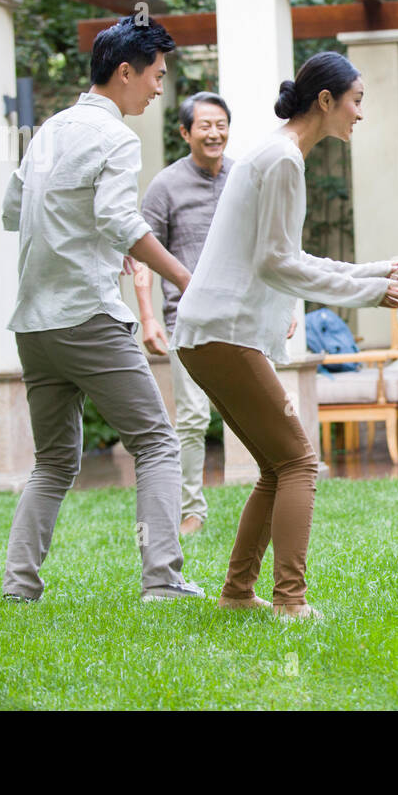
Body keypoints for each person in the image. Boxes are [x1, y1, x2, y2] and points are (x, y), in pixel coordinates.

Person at [173, 51, 398, 619]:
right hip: (221, 333)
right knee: (300, 464)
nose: (360, 114)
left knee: (278, 466)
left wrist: (369, 272)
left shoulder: (277, 154)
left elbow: (285, 256)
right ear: (326, 102)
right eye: (356, 101)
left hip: (212, 332)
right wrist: (369, 293)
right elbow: (277, 262)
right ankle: (290, 602)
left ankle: (237, 594)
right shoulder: (282, 159)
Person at [0, 15, 204, 603]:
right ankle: (163, 582)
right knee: (157, 443)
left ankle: (19, 591)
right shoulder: (116, 137)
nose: (160, 88)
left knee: (54, 463)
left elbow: (15, 210)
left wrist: (87, 237)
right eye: (157, 75)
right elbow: (119, 220)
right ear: (125, 72)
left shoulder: (48, 131)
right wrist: (182, 276)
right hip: (87, 319)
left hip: (34, 323)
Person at [135, 91, 236, 538]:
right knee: (194, 417)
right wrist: (147, 316)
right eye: (204, 126)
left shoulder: (243, 179)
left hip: (242, 318)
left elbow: (269, 246)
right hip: (187, 321)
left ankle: (274, 490)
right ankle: (192, 510)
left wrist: (283, 305)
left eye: (220, 125)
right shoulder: (165, 186)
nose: (214, 133)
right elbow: (142, 254)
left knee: (260, 411)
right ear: (184, 132)